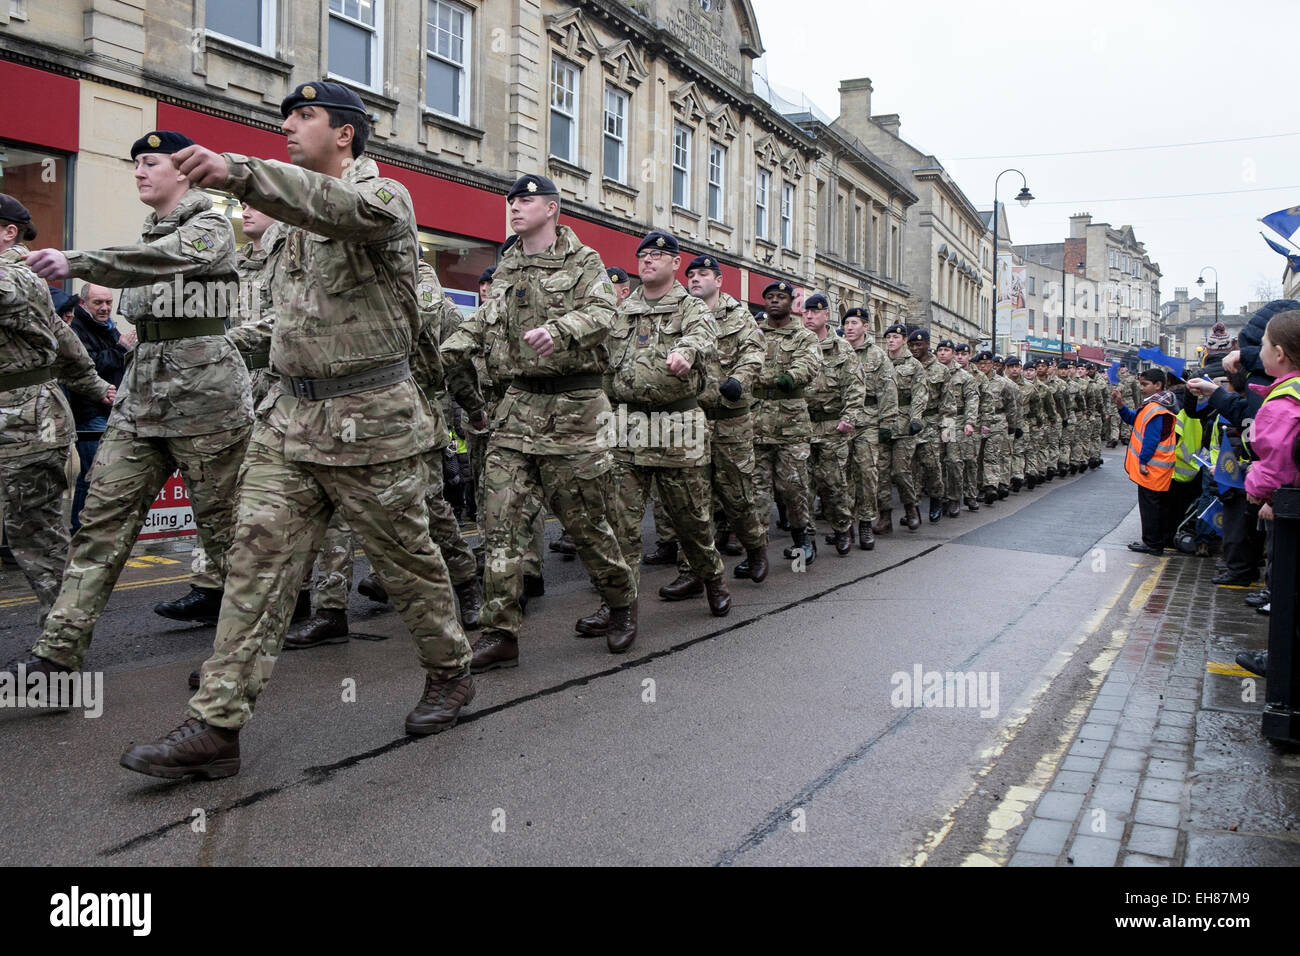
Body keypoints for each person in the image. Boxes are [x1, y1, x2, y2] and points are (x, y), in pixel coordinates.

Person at [117, 83, 478, 779]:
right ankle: (217, 724)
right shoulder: (287, 228)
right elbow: (289, 318)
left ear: (345, 134)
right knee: (254, 562)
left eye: (304, 115)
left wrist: (240, 173)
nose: (287, 125)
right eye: (285, 116)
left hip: (369, 419)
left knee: (408, 566)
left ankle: (450, 669)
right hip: (288, 420)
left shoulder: (383, 199)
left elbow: (333, 207)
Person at [11, 132, 254, 688]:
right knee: (101, 523)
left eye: (150, 163)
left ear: (185, 172)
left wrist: (74, 260)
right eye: (135, 165)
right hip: (143, 400)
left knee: (225, 534)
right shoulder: (154, 229)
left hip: (206, 402)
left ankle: (234, 664)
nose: (139, 172)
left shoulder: (210, 227)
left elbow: (158, 262)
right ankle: (58, 655)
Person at [442, 173, 635, 667]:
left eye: (526, 199)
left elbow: (605, 314)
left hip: (575, 410)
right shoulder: (508, 261)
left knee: (586, 523)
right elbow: (488, 317)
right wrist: (452, 346)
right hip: (518, 407)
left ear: (551, 208)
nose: (515, 206)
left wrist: (561, 330)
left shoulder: (584, 259)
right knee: (500, 519)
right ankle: (500, 630)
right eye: (511, 199)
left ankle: (620, 604)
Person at [0, 195, 114, 627]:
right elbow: (67, 344)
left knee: (37, 539)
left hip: (27, 427)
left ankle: (63, 634)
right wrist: (100, 388)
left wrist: (98, 388)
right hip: (20, 421)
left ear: (9, 232)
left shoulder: (20, 278)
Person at [608, 233, 730, 616]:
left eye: (658, 255)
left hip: (677, 426)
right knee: (621, 524)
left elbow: (704, 338)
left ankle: (711, 578)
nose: (648, 261)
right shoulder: (622, 310)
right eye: (643, 255)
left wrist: (685, 352)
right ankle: (620, 609)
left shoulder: (691, 308)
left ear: (675, 262)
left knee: (690, 520)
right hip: (627, 427)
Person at [680, 254, 768, 581]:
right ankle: (692, 570)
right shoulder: (680, 314)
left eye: (703, 273)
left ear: (718, 280)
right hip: (692, 419)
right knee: (692, 499)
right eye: (691, 274)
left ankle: (756, 550)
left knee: (737, 495)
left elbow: (755, 353)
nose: (695, 278)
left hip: (731, 420)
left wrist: (739, 380)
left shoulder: (738, 316)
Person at [751, 281, 821, 563]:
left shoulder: (804, 336)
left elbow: (810, 363)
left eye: (781, 297)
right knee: (757, 491)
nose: (775, 301)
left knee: (792, 487)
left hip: (791, 424)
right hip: (756, 423)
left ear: (792, 303)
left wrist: (791, 376)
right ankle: (755, 553)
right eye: (770, 297)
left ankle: (802, 542)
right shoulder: (753, 334)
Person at [801, 294, 866, 555]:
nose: (808, 316)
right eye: (805, 312)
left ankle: (842, 527)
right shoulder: (797, 343)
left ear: (826, 315)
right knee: (801, 486)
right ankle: (806, 540)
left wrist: (848, 419)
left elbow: (855, 386)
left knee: (834, 484)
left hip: (832, 427)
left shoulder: (842, 348)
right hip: (801, 426)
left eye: (814, 312)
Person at [63, 283, 129, 532]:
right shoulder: (76, 329)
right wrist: (120, 349)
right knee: (95, 474)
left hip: (111, 411)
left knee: (96, 475)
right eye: (98, 303)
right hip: (90, 413)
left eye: (108, 302)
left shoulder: (108, 327)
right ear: (83, 303)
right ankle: (84, 528)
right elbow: (87, 366)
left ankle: (85, 528)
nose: (105, 308)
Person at [841, 307, 897, 549]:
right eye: (847, 323)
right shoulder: (837, 350)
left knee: (866, 473)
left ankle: (865, 522)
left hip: (868, 422)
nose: (850, 327)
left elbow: (888, 390)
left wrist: (887, 423)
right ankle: (844, 526)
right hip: (841, 423)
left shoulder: (878, 356)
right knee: (841, 477)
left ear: (866, 327)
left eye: (855, 322)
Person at [1116, 367, 1178, 555]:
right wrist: (1120, 406)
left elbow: (1151, 439)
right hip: (1155, 467)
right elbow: (1132, 419)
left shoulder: (1156, 410)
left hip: (1153, 467)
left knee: (1151, 507)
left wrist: (1143, 461)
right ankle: (1153, 541)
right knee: (1153, 506)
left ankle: (1152, 543)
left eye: (1145, 384)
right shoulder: (1152, 406)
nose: (1141, 388)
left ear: (1158, 385)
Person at [875, 323, 926, 531]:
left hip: (904, 425)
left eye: (896, 337)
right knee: (881, 472)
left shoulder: (914, 366)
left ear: (904, 340)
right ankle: (885, 516)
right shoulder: (880, 362)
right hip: (882, 423)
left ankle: (911, 509)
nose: (891, 341)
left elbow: (919, 395)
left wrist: (916, 419)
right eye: (888, 337)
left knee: (901, 471)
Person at [907, 328, 951, 523]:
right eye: (912, 345)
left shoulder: (941, 370)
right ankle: (913, 507)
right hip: (909, 423)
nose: (915, 348)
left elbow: (948, 404)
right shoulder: (907, 366)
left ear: (927, 344)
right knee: (911, 467)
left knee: (932, 465)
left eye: (919, 344)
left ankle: (935, 499)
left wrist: (948, 432)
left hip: (932, 423)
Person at [936, 338, 978, 516]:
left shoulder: (964, 377)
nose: (943, 353)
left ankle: (954, 498)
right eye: (940, 350)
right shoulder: (931, 372)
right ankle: (940, 497)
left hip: (953, 422)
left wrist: (970, 422)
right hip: (935, 421)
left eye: (947, 350)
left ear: (953, 353)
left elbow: (972, 400)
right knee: (937, 462)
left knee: (953, 461)